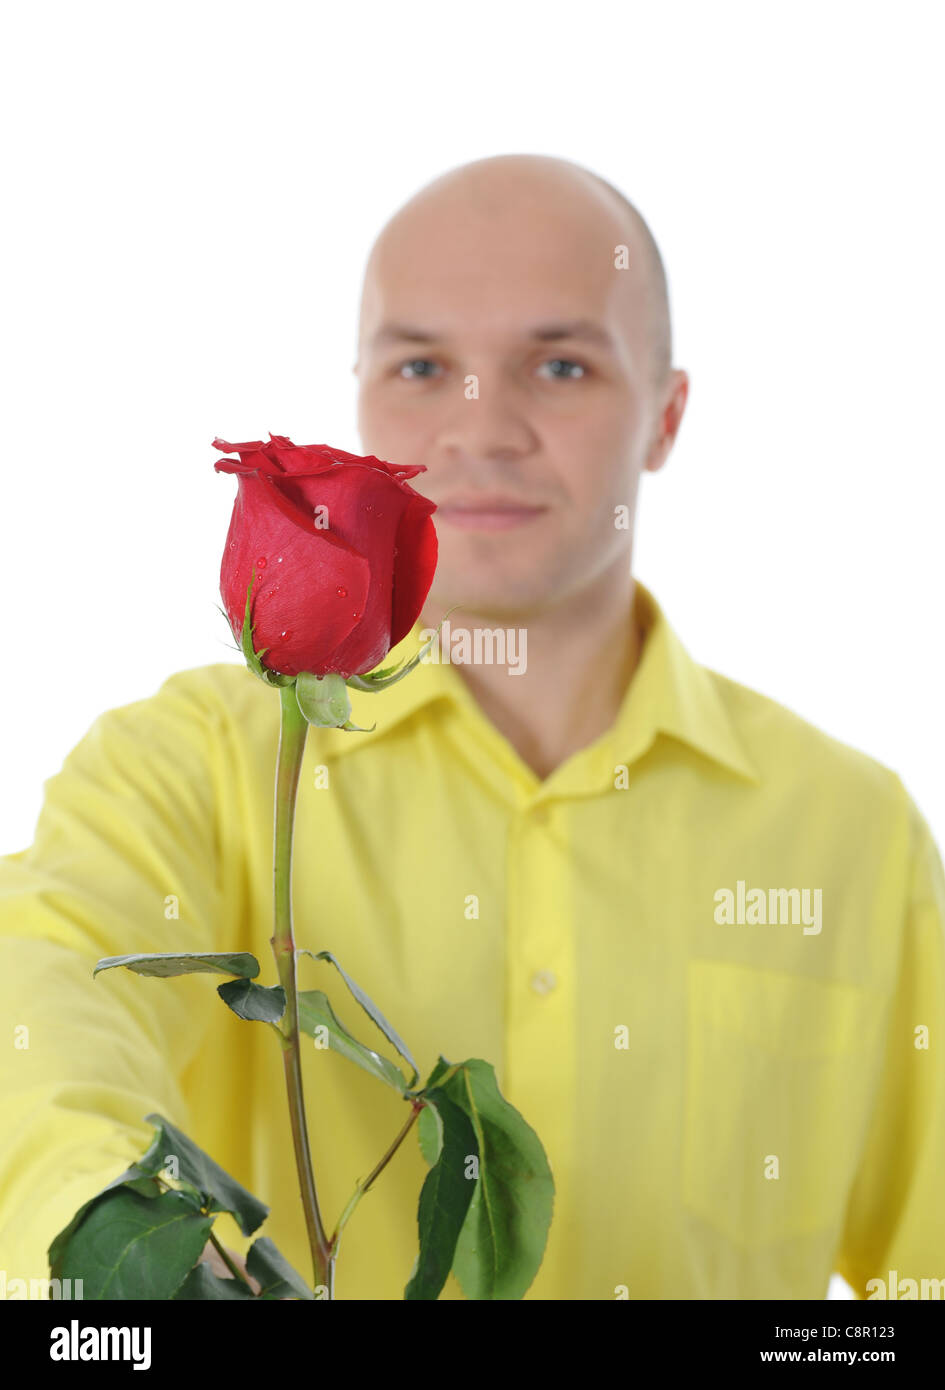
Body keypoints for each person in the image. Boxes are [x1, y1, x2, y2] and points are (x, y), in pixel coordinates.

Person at [1, 153, 942, 1301]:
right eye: (422, 364)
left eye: (560, 363)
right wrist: (118, 1233)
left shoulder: (853, 830)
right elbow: (44, 998)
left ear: (667, 413)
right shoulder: (184, 765)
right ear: (359, 389)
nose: (482, 426)